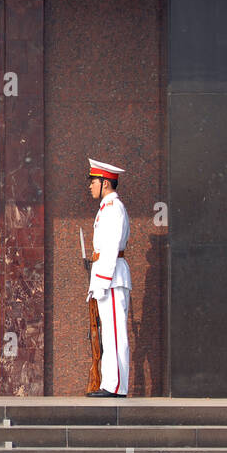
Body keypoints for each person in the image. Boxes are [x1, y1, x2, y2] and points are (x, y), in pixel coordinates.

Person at [85, 159, 130, 397]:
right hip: (107, 276)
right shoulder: (106, 208)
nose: (90, 186)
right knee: (109, 334)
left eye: (93, 182)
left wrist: (101, 281)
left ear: (105, 183)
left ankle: (116, 386)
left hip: (112, 277)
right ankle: (111, 384)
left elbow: (111, 248)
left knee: (115, 333)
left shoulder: (114, 208)